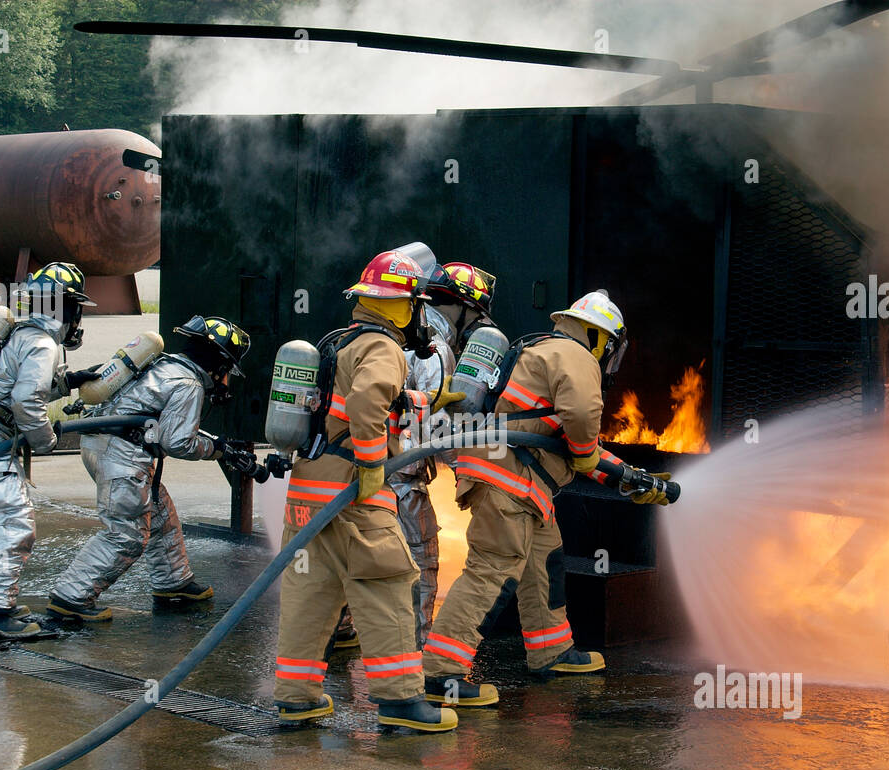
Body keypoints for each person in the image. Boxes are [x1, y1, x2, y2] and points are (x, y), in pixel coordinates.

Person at [422, 290, 657, 707]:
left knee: (544, 561)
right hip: (508, 480)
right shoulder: (575, 354)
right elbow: (582, 421)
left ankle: (551, 651)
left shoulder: (543, 349)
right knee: (491, 570)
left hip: (520, 481)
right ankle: (442, 672)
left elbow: (573, 445)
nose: (607, 359)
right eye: (609, 347)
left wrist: (634, 480)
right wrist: (590, 460)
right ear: (598, 336)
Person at [273, 250, 462, 733]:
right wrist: (374, 464)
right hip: (353, 493)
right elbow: (367, 398)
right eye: (416, 303)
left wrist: (425, 400)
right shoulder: (383, 346)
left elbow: (360, 399)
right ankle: (400, 702)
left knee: (312, 589)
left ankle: (297, 697)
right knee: (388, 579)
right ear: (401, 305)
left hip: (309, 490)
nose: (420, 314)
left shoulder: (343, 340)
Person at [47, 316, 252, 621]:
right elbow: (178, 442)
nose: (224, 379)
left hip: (106, 444)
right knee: (126, 534)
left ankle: (174, 582)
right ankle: (71, 596)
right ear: (218, 362)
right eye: (225, 370)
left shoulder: (162, 365)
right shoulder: (189, 384)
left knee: (159, 515)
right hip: (121, 454)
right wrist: (216, 450)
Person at [0, 261, 92, 638]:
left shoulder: (17, 333)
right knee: (12, 524)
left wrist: (71, 381)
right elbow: (27, 401)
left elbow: (9, 383)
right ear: (70, 309)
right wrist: (47, 441)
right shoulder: (43, 343)